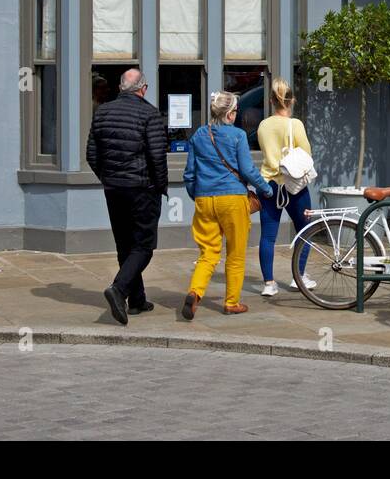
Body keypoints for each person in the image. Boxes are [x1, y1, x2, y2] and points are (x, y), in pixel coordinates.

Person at [86, 68, 167, 325]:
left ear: (121, 87)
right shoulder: (150, 114)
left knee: (125, 244)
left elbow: (91, 153)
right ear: (142, 88)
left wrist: (108, 176)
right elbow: (157, 157)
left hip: (114, 188)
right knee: (143, 246)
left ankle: (137, 299)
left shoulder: (102, 112)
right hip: (142, 188)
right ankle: (119, 290)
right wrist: (160, 186)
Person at [181, 90, 273, 318]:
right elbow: (247, 169)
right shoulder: (238, 136)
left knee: (208, 253)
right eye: (235, 111)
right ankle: (231, 302)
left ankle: (195, 291)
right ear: (231, 114)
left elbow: (189, 174)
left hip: (205, 199)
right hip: (232, 199)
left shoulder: (199, 135)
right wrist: (266, 188)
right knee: (235, 253)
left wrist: (198, 196)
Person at [256, 77, 315, 296]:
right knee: (305, 230)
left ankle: (269, 283)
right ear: (291, 101)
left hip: (268, 184)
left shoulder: (263, 125)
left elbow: (264, 150)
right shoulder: (295, 124)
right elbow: (306, 153)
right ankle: (298, 277)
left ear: (272, 101)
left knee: (268, 236)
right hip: (294, 186)